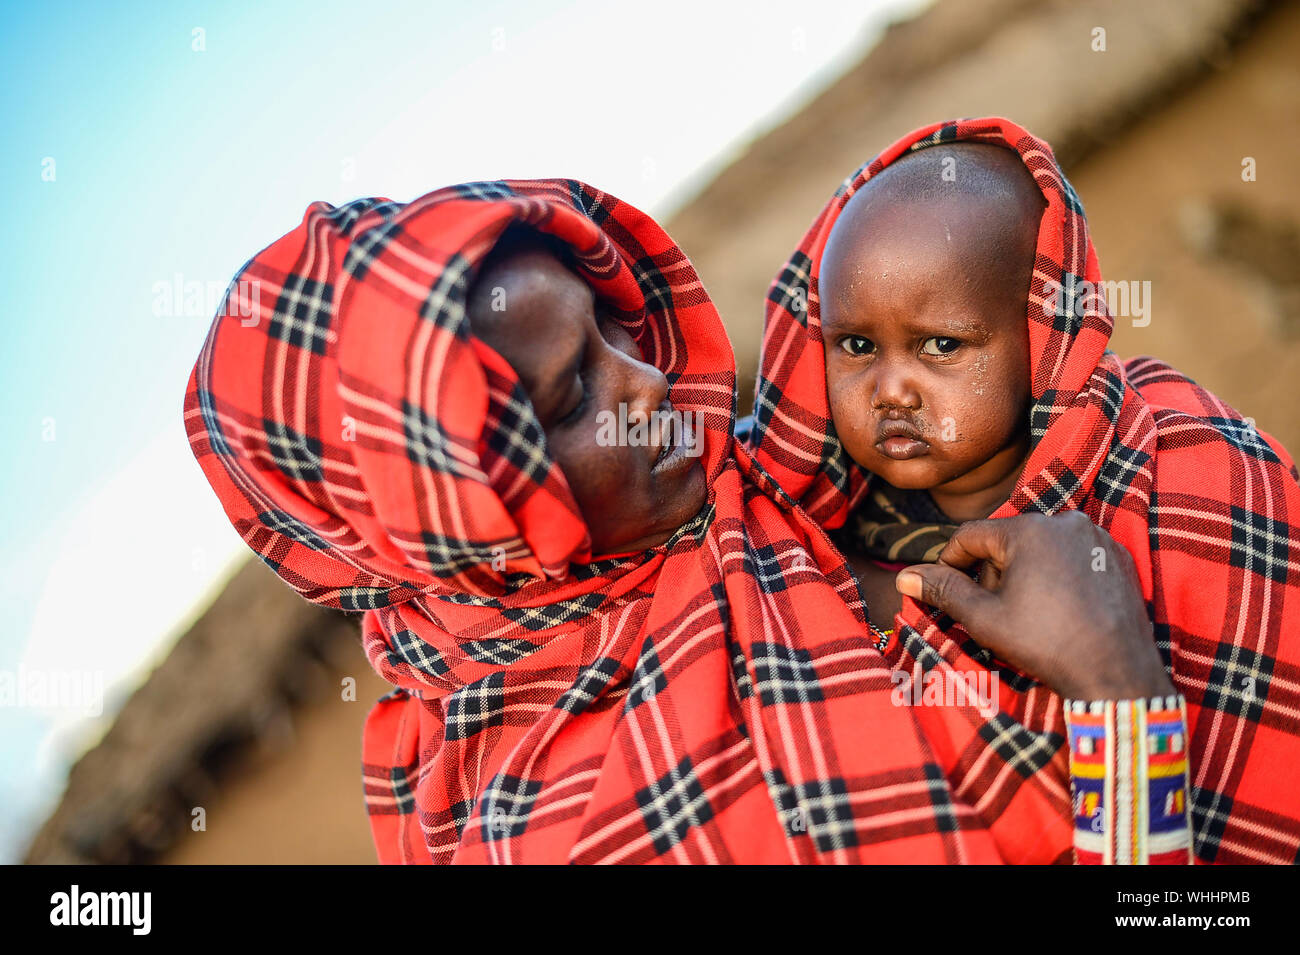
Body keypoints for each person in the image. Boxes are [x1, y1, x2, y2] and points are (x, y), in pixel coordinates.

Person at [185, 179, 1020, 863]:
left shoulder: (809, 466)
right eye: (574, 394)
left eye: (612, 325)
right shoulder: (534, 822)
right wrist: (1122, 702)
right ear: (456, 514)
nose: (647, 384)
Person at [744, 116, 1300, 864]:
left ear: (1045, 329)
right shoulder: (796, 567)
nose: (891, 389)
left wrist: (1114, 684)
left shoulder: (1188, 463)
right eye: (856, 345)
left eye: (943, 343)